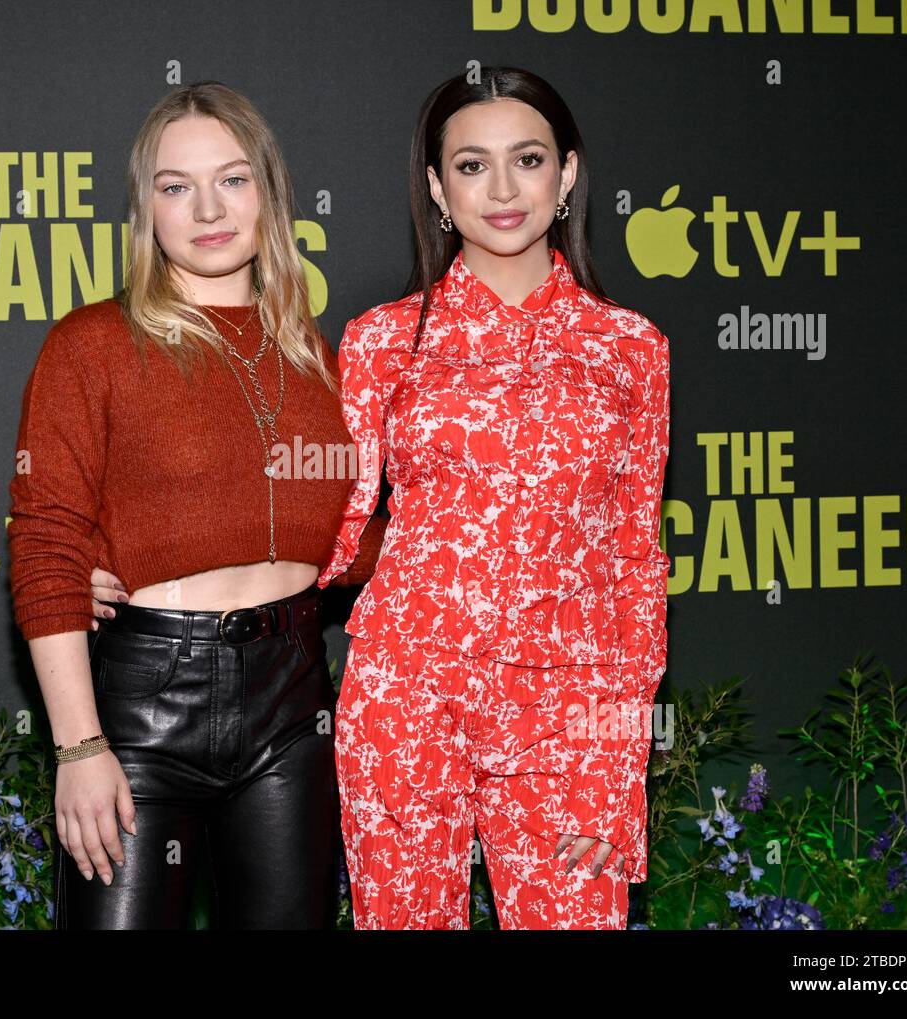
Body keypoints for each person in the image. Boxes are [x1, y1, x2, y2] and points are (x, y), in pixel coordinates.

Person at [7, 81, 384, 929]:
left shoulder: (322, 354)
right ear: (147, 209)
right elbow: (46, 542)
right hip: (144, 704)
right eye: (176, 186)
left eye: (233, 179)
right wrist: (77, 744)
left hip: (293, 698)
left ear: (270, 194)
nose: (208, 207)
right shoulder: (91, 345)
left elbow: (348, 540)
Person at [313, 67, 671, 929]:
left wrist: (618, 758)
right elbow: (325, 529)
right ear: (437, 188)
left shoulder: (631, 350)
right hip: (405, 703)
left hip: (569, 722)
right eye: (472, 166)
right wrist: (144, 556)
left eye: (529, 159)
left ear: (568, 175)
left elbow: (634, 557)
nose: (503, 190)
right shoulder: (382, 341)